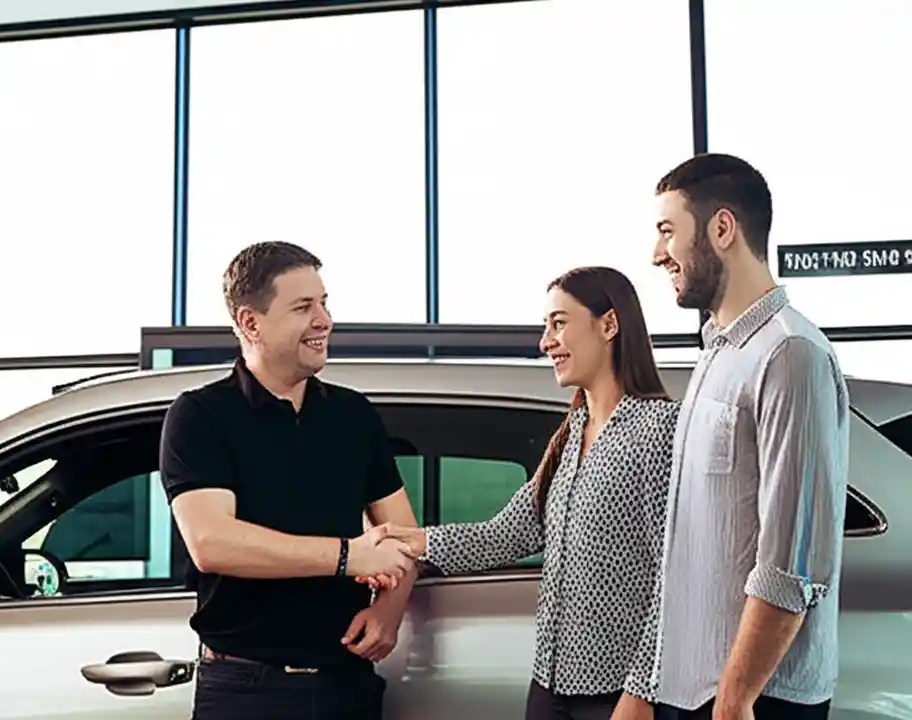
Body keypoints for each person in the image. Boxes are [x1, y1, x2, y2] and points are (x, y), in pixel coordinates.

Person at [364, 266, 679, 720]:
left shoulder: (659, 429)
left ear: (609, 324)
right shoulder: (571, 434)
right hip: (550, 686)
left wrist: (641, 692)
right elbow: (507, 535)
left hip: (617, 695)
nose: (546, 342)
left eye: (558, 323)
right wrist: (415, 540)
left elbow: (678, 576)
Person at [159, 241, 422, 720]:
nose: (325, 321)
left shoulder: (353, 414)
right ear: (250, 322)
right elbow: (213, 543)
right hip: (246, 691)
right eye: (303, 307)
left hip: (347, 685)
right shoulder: (200, 415)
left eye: (324, 303)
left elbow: (404, 536)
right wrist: (349, 556)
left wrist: (389, 609)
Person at [648, 153, 849, 720]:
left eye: (667, 231)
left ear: (722, 229)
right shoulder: (719, 353)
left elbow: (792, 563)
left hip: (756, 700)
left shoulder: (790, 353)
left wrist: (734, 700)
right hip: (695, 692)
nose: (657, 253)